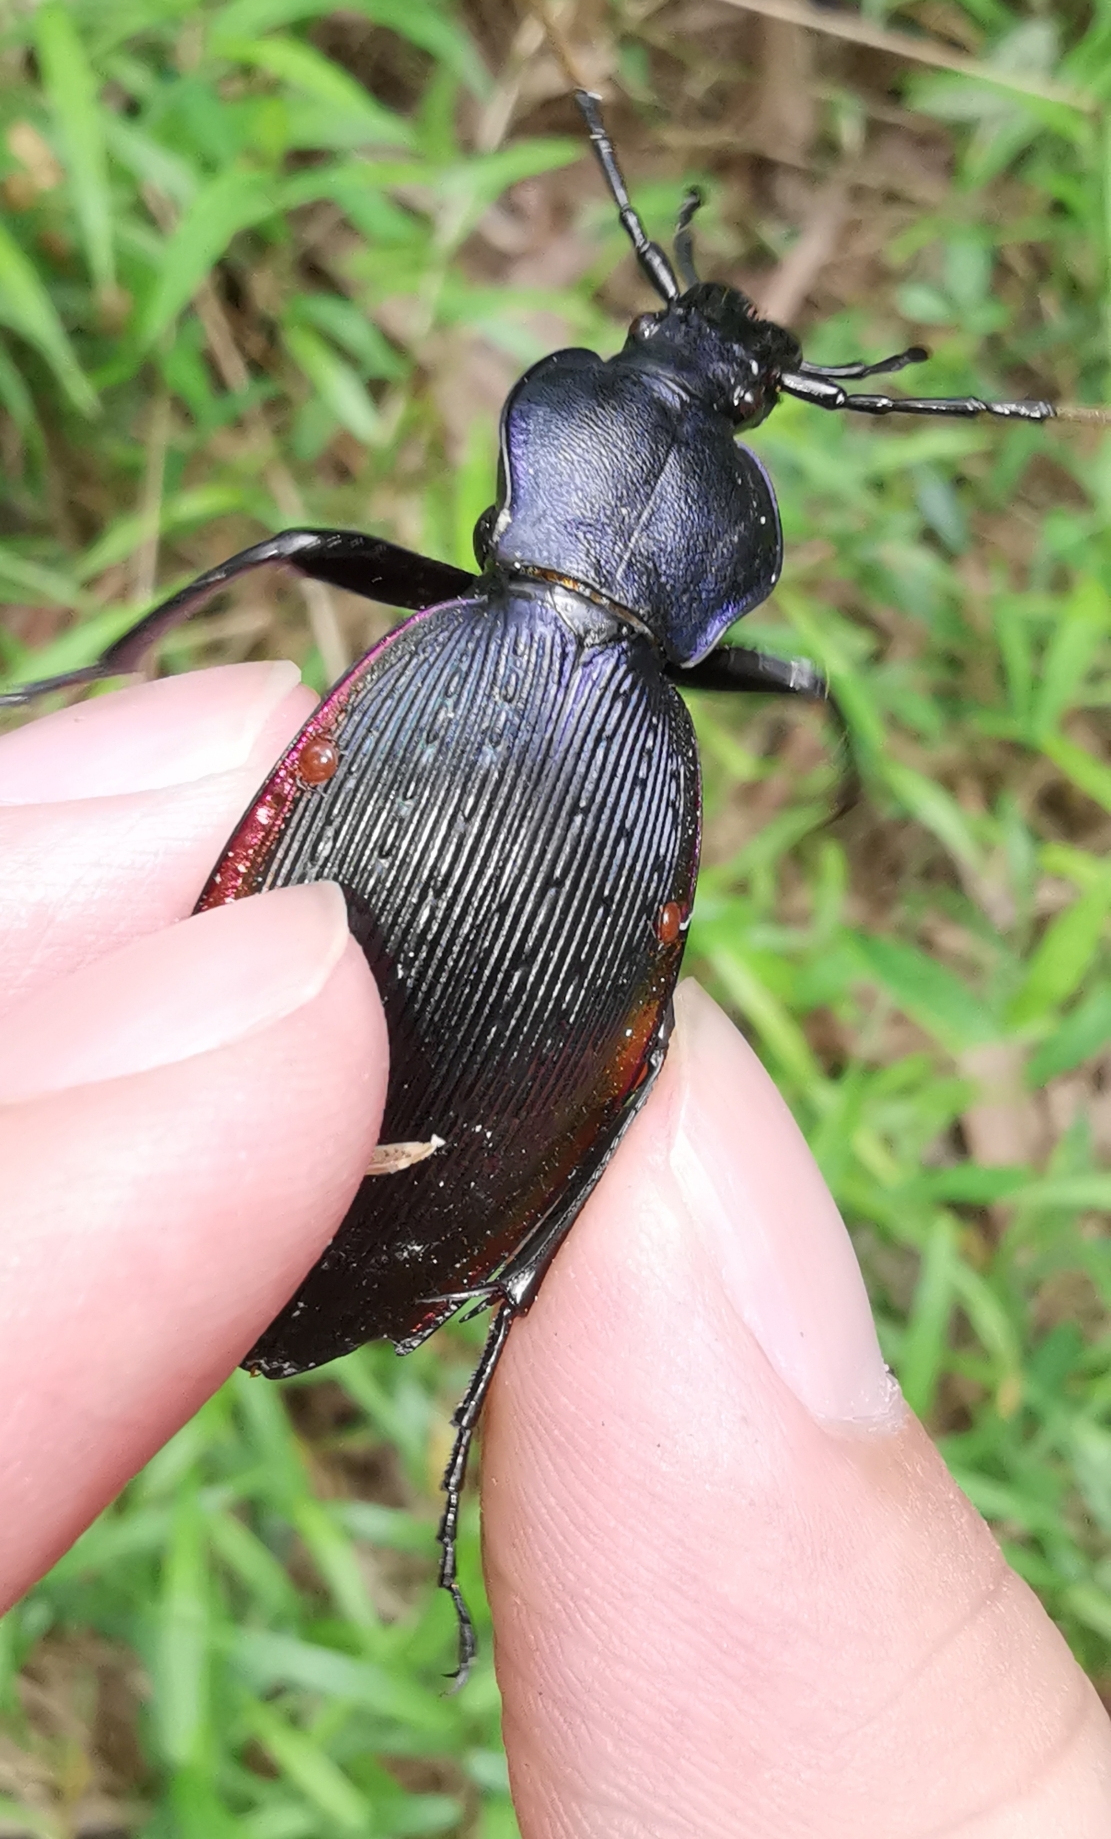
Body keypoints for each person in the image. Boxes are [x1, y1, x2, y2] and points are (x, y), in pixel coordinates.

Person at [0, 659, 1107, 1836]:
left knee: (646, 1060)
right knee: (645, 1054)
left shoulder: (515, 675)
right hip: (337, 1136)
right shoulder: (663, 755)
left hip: (257, 1098)